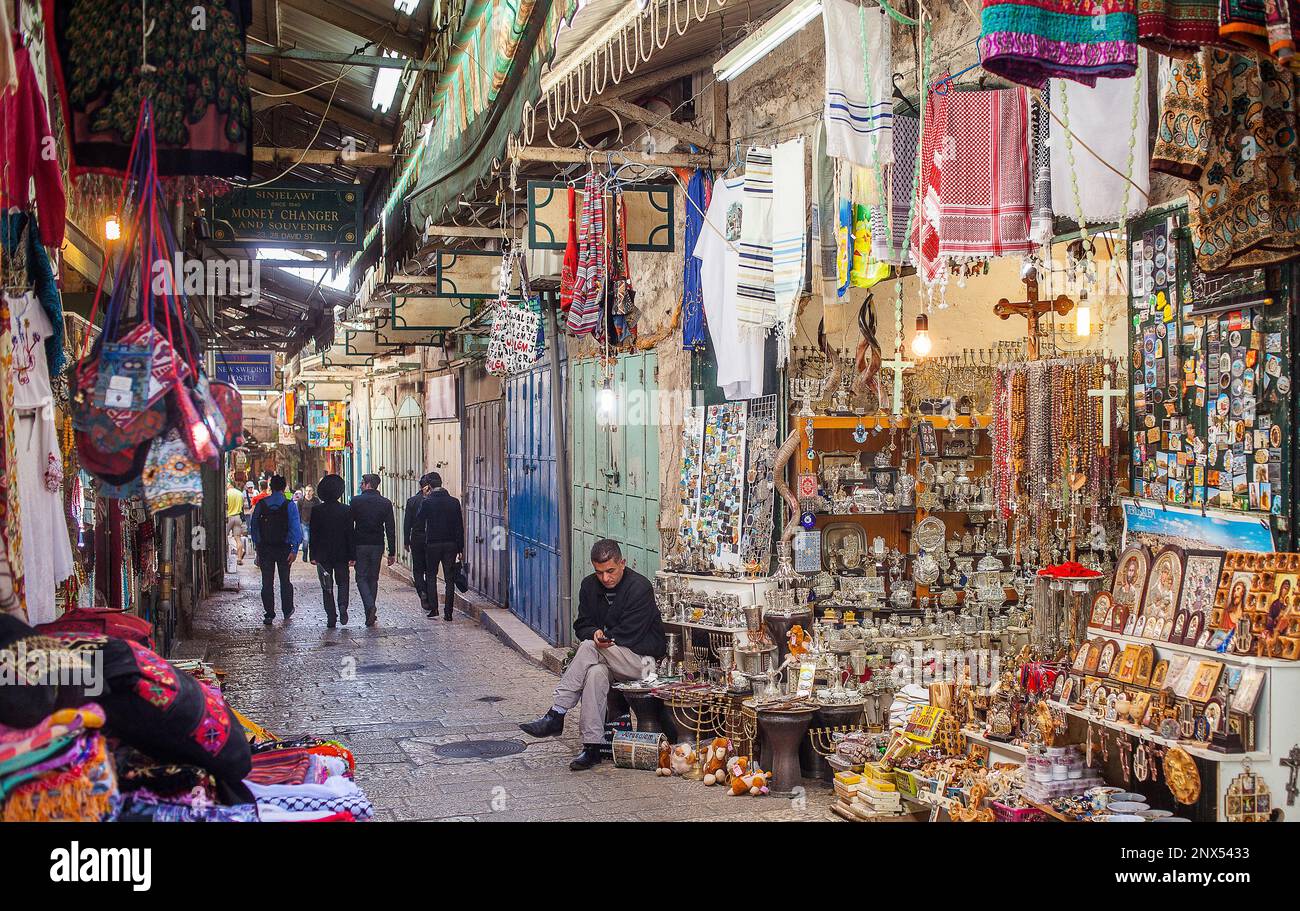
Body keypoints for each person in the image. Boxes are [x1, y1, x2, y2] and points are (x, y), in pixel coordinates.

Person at [519, 539, 665, 770]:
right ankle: (592, 747)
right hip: (608, 656)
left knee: (588, 647)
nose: (606, 578)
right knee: (595, 673)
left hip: (643, 661)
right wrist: (594, 632)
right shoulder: (589, 586)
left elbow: (631, 633)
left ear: (622, 564)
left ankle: (556, 713)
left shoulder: (640, 587)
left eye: (611, 571)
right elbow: (582, 625)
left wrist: (600, 638)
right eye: (600, 572)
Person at [249, 475, 302, 626]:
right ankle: (287, 609)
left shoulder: (261, 504)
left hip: (265, 549)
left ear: (270, 487)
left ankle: (269, 613)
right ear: (284, 487)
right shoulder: (289, 505)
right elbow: (295, 528)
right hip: (284, 549)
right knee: (285, 580)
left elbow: (254, 528)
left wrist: (258, 549)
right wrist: (294, 549)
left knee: (267, 582)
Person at [415, 471, 464, 621]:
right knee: (449, 579)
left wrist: (424, 497)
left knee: (431, 576)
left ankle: (434, 608)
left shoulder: (428, 502)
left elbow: (419, 519)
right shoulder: (454, 502)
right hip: (451, 544)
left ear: (429, 486)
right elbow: (459, 526)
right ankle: (448, 612)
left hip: (433, 544)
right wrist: (460, 548)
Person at [308, 474, 355, 629]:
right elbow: (350, 534)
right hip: (341, 554)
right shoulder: (346, 510)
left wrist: (312, 554)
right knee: (343, 582)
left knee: (326, 586)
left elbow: (313, 534)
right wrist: (352, 555)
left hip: (323, 555)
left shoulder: (317, 510)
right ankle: (342, 605)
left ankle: (331, 616)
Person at [349, 473, 396, 627]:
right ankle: (371, 610)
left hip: (360, 544)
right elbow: (390, 528)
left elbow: (349, 527)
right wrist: (392, 551)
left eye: (362, 482)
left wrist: (349, 550)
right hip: (377, 544)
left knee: (361, 578)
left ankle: (369, 607)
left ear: (368, 484)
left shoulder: (355, 501)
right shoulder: (385, 503)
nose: (361, 485)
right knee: (373, 578)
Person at [403, 474, 435, 612]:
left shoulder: (412, 501)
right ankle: (428, 596)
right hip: (430, 538)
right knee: (429, 569)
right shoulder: (434, 501)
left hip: (416, 538)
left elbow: (407, 523)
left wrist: (406, 541)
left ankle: (421, 591)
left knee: (417, 569)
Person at [225, 477, 246, 568]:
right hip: (237, 517)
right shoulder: (240, 494)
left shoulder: (227, 493)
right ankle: (239, 558)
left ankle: (225, 557)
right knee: (238, 538)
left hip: (229, 517)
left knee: (224, 537)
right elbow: (242, 507)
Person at [298, 484, 321, 560]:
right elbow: (298, 512)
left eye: (309, 491)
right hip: (304, 523)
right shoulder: (301, 501)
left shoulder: (316, 500)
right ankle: (305, 553)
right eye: (307, 490)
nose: (308, 492)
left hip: (314, 524)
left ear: (313, 492)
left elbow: (319, 511)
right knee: (306, 540)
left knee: (313, 541)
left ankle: (312, 557)